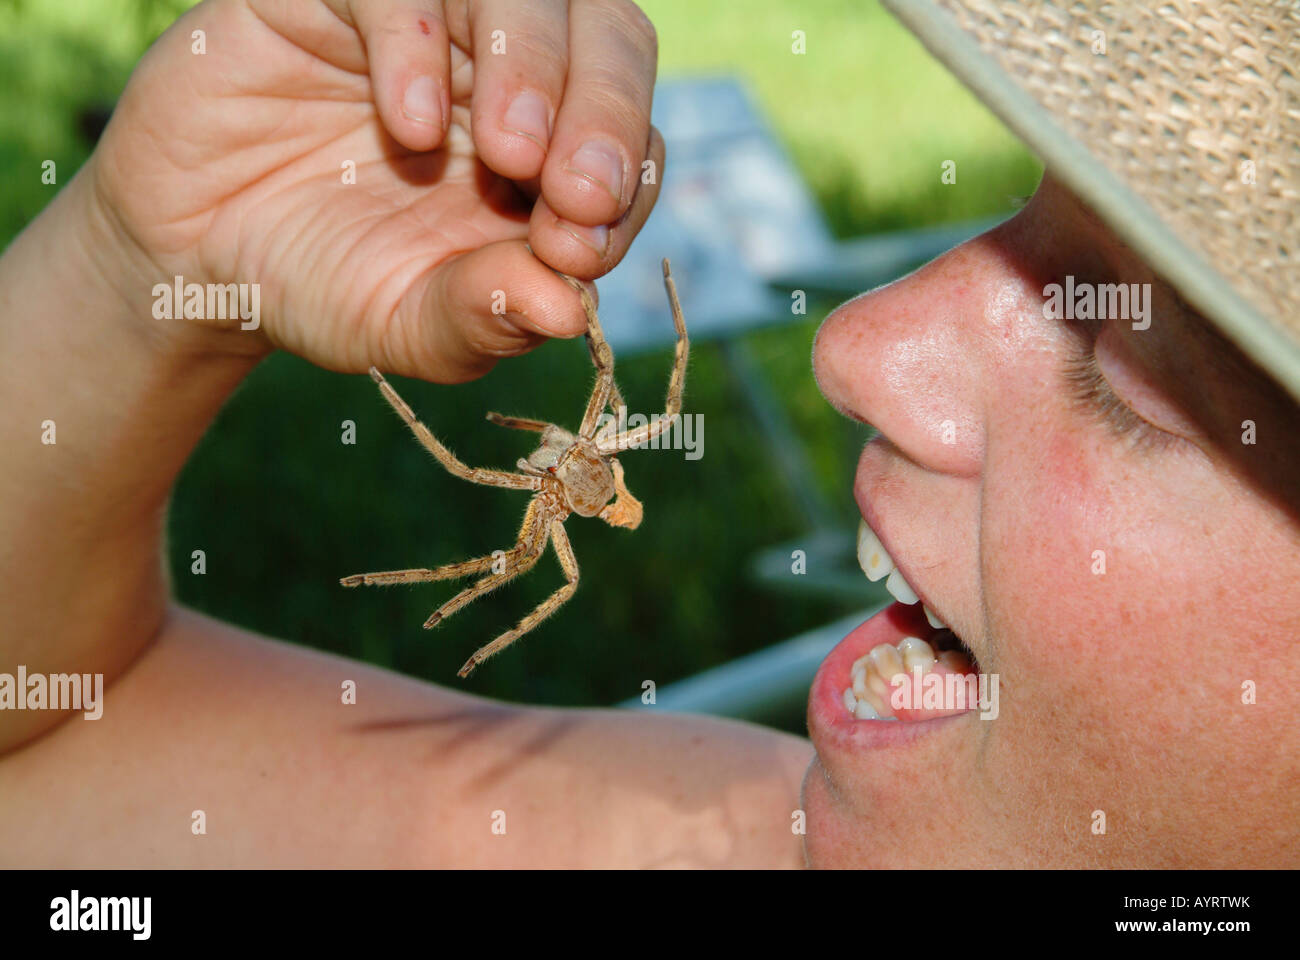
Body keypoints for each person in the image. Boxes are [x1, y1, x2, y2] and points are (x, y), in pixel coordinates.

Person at [0, 0, 1294, 868]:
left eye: (1134, 376)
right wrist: (139, 267)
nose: (854, 349)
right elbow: (50, 734)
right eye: (1015, 205)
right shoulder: (714, 837)